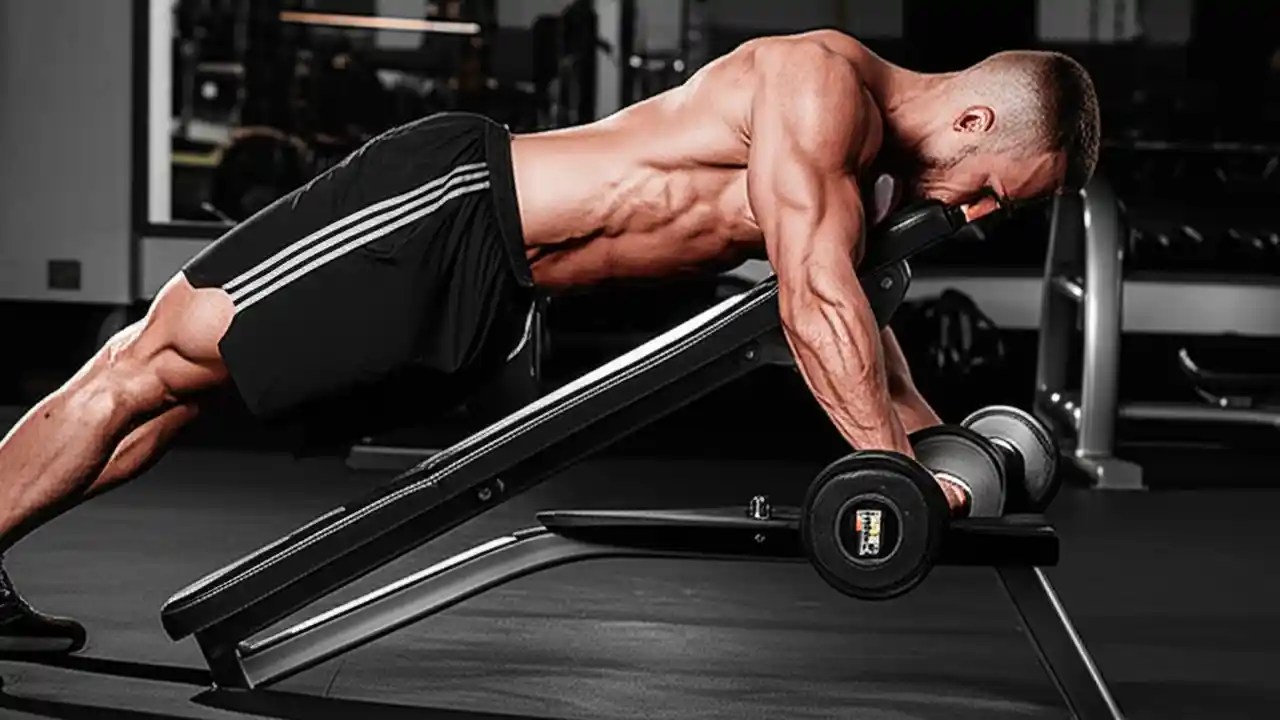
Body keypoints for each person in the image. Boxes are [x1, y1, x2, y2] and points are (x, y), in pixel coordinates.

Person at [0, 30, 1098, 651]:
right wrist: (888, 482)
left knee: (181, 394)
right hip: (446, 207)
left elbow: (867, 338)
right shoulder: (820, 87)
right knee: (148, 361)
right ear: (970, 121)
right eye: (998, 190)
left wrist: (948, 454)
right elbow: (814, 303)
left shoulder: (867, 180)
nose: (980, 214)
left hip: (494, 295)